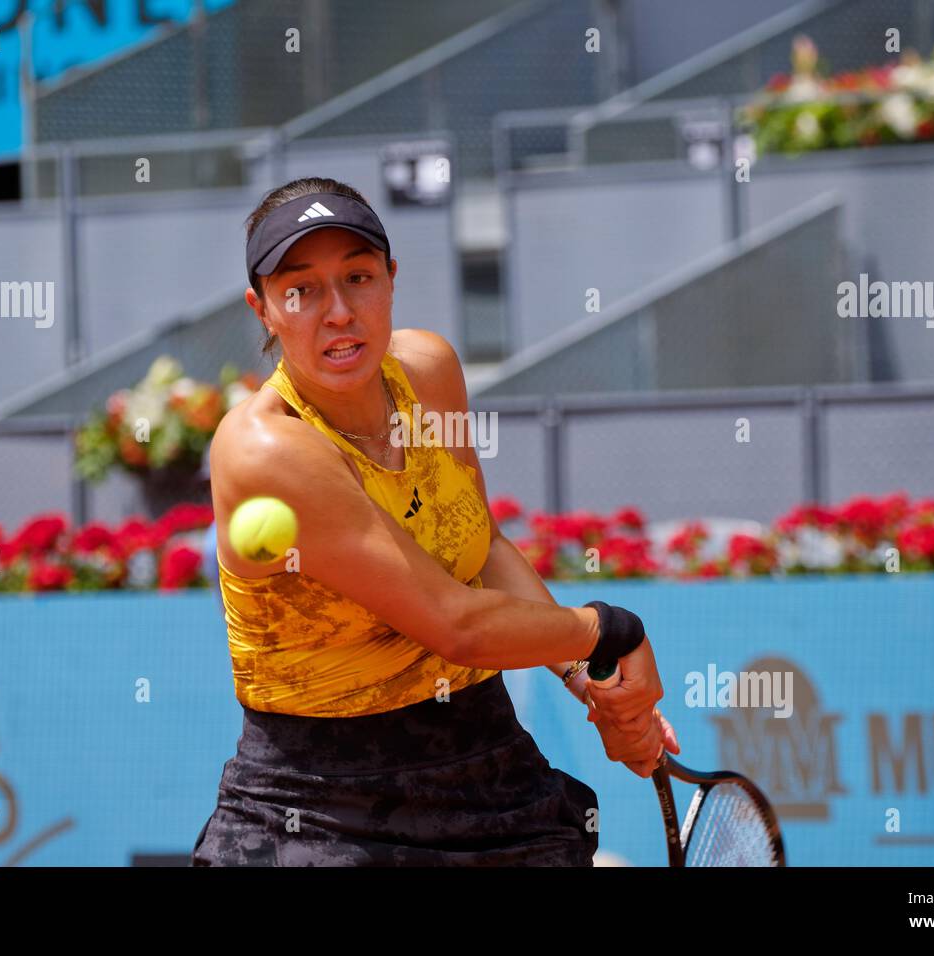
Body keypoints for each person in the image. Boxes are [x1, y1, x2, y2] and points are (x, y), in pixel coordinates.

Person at [191, 177, 680, 867]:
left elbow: (479, 547)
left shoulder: (429, 371)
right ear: (263, 309)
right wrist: (609, 632)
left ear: (391, 280)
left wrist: (593, 686)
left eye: (358, 277)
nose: (337, 311)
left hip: (488, 772)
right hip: (322, 811)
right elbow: (457, 624)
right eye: (301, 289)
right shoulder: (265, 450)